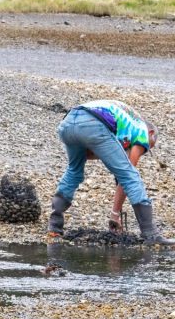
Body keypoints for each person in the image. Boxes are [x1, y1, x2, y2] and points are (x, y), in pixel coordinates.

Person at [48, 100, 172, 244]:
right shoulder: (142, 130)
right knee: (131, 176)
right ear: (151, 133)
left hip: (68, 123)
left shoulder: (127, 123)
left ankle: (54, 227)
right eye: (148, 147)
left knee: (74, 171)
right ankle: (151, 234)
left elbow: (91, 153)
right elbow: (127, 176)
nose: (143, 150)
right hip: (92, 124)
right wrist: (115, 214)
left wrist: (116, 213)